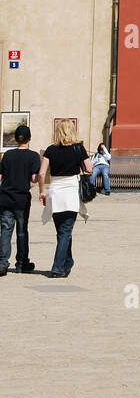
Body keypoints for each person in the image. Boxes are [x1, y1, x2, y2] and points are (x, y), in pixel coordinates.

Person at [38, 119, 92, 279]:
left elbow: (41, 173)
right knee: (65, 232)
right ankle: (58, 268)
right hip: (71, 193)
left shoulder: (50, 150)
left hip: (55, 193)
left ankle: (67, 262)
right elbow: (88, 168)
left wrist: (42, 191)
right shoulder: (78, 148)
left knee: (62, 231)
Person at [0, 125, 41, 276]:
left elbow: (1, 176)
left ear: (15, 138)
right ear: (29, 138)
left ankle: (2, 263)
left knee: (5, 230)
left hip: (5, 197)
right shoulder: (33, 156)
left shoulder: (8, 155)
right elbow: (34, 179)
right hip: (21, 199)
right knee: (22, 231)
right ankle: (22, 263)